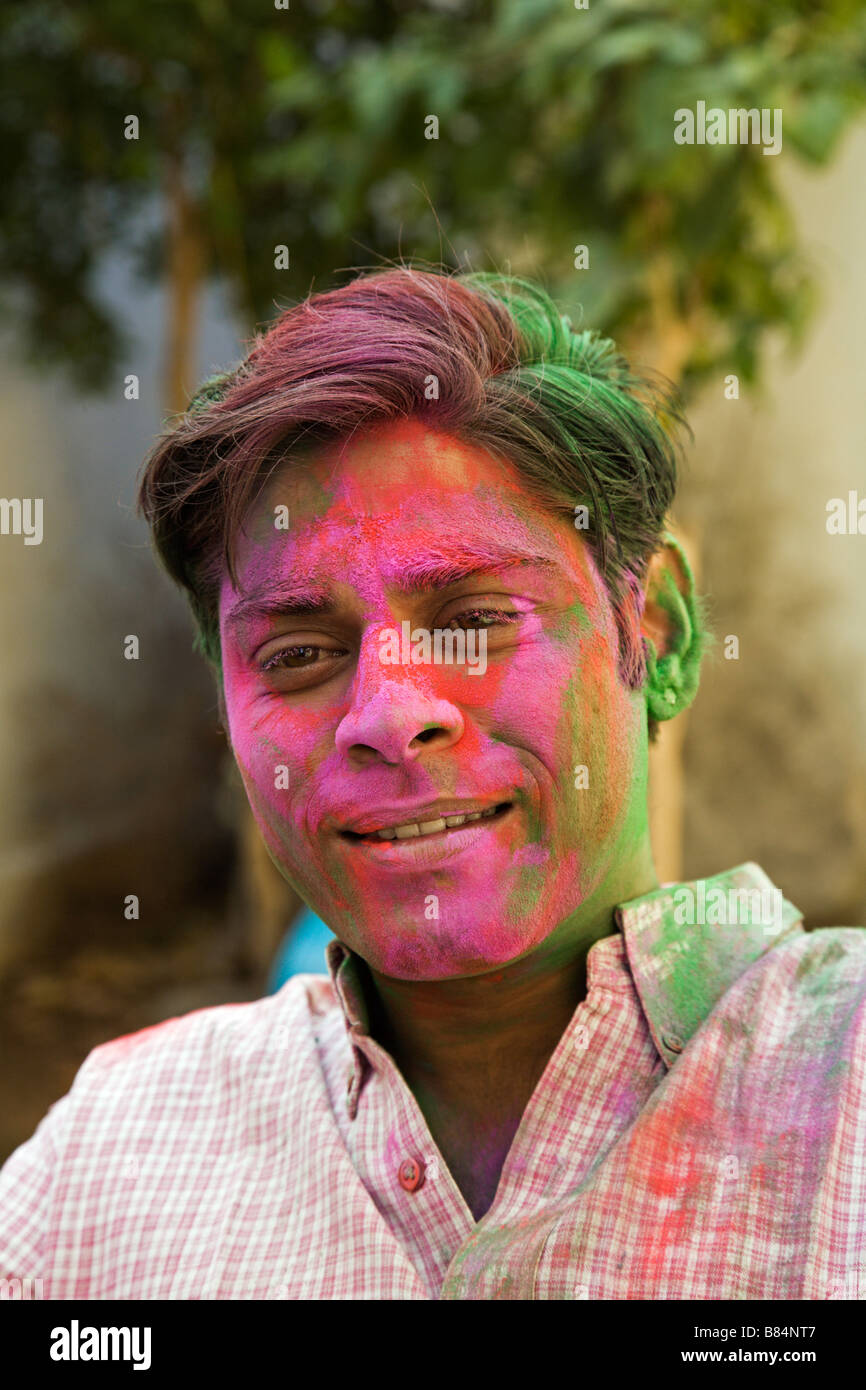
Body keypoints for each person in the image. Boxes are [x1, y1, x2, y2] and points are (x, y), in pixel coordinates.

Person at [1, 266, 864, 1300]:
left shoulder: (839, 1092)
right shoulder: (105, 1163)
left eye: (475, 617)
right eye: (297, 654)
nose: (388, 715)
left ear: (660, 631)